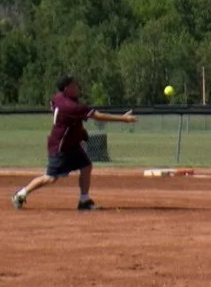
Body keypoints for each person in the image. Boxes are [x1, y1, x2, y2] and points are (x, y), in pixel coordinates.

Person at [13, 75, 135, 211]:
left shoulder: (58, 98)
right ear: (67, 88)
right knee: (50, 177)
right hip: (61, 146)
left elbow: (57, 109)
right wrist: (124, 119)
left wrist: (76, 129)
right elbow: (97, 116)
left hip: (71, 144)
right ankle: (21, 194)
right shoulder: (72, 106)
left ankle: (84, 200)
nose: (78, 87)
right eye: (74, 85)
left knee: (86, 166)